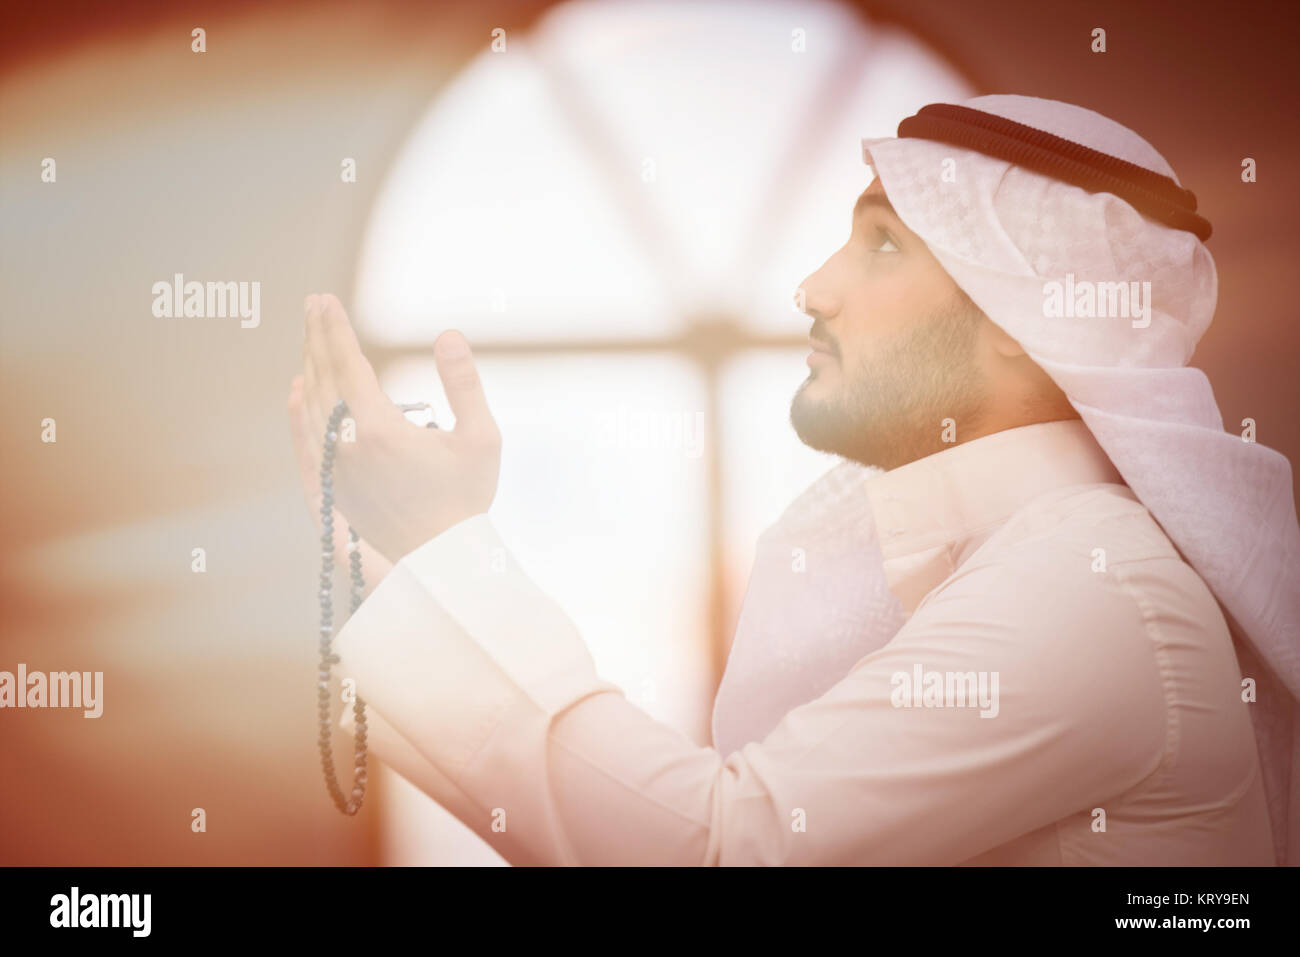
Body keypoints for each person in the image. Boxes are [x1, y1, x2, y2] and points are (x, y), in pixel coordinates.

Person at [288, 94, 1299, 865]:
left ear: (1026, 326)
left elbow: (723, 847)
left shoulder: (1095, 589)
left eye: (884, 244)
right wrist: (399, 554)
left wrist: (440, 549)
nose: (812, 288)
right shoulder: (1022, 564)